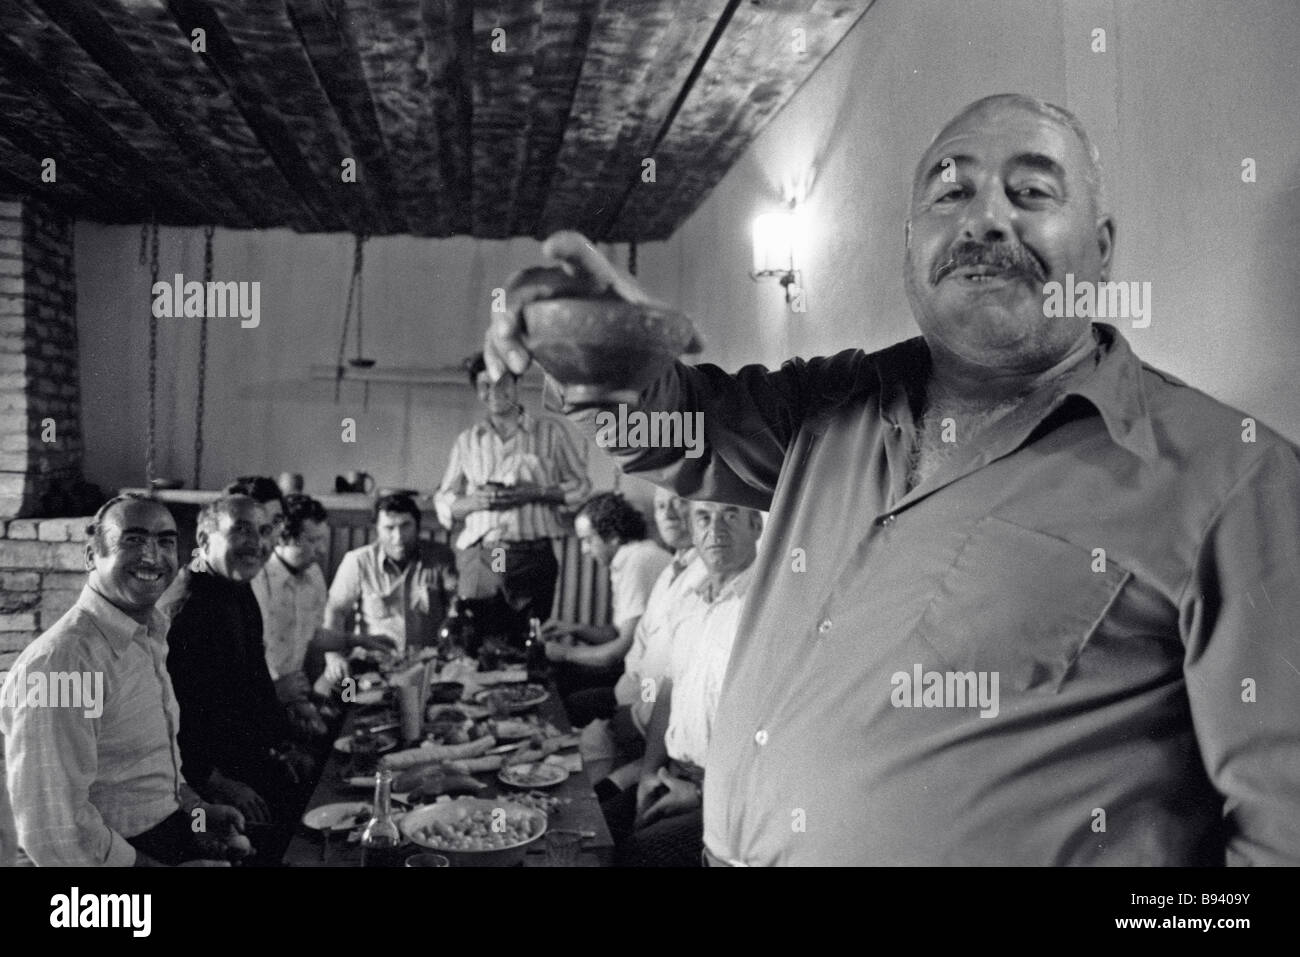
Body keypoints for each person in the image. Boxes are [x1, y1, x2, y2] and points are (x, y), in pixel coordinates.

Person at [487, 94, 1300, 865]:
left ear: (1104, 245)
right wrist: (590, 353)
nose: (985, 217)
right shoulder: (828, 406)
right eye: (951, 193)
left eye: (1031, 190)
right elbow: (671, 433)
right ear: (909, 249)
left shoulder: (1229, 475)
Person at [0, 494, 250, 866]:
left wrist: (199, 816)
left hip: (160, 841)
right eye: (133, 540)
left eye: (165, 542)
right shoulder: (63, 663)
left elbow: (148, 778)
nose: (152, 556)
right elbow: (54, 833)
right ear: (90, 556)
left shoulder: (146, 635)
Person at [599, 501, 763, 866]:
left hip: (726, 795)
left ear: (756, 524)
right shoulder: (689, 605)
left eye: (730, 515)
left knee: (643, 853)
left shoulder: (763, 608)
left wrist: (703, 793)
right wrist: (646, 776)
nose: (715, 528)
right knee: (597, 829)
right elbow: (668, 696)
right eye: (704, 517)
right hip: (671, 772)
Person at [162, 494, 315, 860]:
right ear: (203, 540)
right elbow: (171, 716)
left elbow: (256, 682)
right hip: (203, 783)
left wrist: (284, 743)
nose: (257, 544)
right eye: (241, 530)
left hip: (245, 758)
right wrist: (217, 782)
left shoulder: (237, 586)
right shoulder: (186, 606)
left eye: (263, 531)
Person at [434, 352, 592, 640]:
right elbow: (445, 501)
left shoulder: (550, 433)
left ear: (516, 384)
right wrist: (475, 502)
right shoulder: (468, 441)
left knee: (527, 641)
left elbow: (581, 487)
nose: (495, 392)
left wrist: (539, 492)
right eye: (485, 385)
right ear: (477, 391)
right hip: (485, 554)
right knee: (475, 638)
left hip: (532, 556)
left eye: (502, 383)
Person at [582, 487, 707, 790]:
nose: (668, 513)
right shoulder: (670, 571)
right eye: (661, 505)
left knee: (599, 793)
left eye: (679, 502)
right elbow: (640, 650)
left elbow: (671, 676)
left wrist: (635, 717)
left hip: (660, 734)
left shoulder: (705, 572)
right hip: (635, 711)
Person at [543, 492, 670, 716]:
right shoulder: (629, 558)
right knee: (564, 679)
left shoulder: (638, 562)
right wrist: (573, 629)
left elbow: (619, 650)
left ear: (612, 536)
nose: (584, 550)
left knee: (566, 696)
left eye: (587, 540)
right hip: (638, 673)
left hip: (649, 685)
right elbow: (618, 633)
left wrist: (563, 652)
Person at [324, 493, 455, 659]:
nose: (398, 537)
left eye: (405, 526)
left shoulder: (441, 557)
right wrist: (334, 657)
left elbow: (455, 608)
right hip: (371, 666)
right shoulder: (358, 561)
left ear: (417, 526)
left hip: (427, 665)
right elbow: (336, 611)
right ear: (376, 529)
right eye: (389, 528)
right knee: (327, 686)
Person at [250, 494, 332, 741]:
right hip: (257, 699)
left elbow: (314, 636)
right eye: (312, 540)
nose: (322, 550)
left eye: (323, 539)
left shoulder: (314, 574)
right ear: (283, 537)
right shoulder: (257, 578)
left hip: (294, 696)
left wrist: (355, 641)